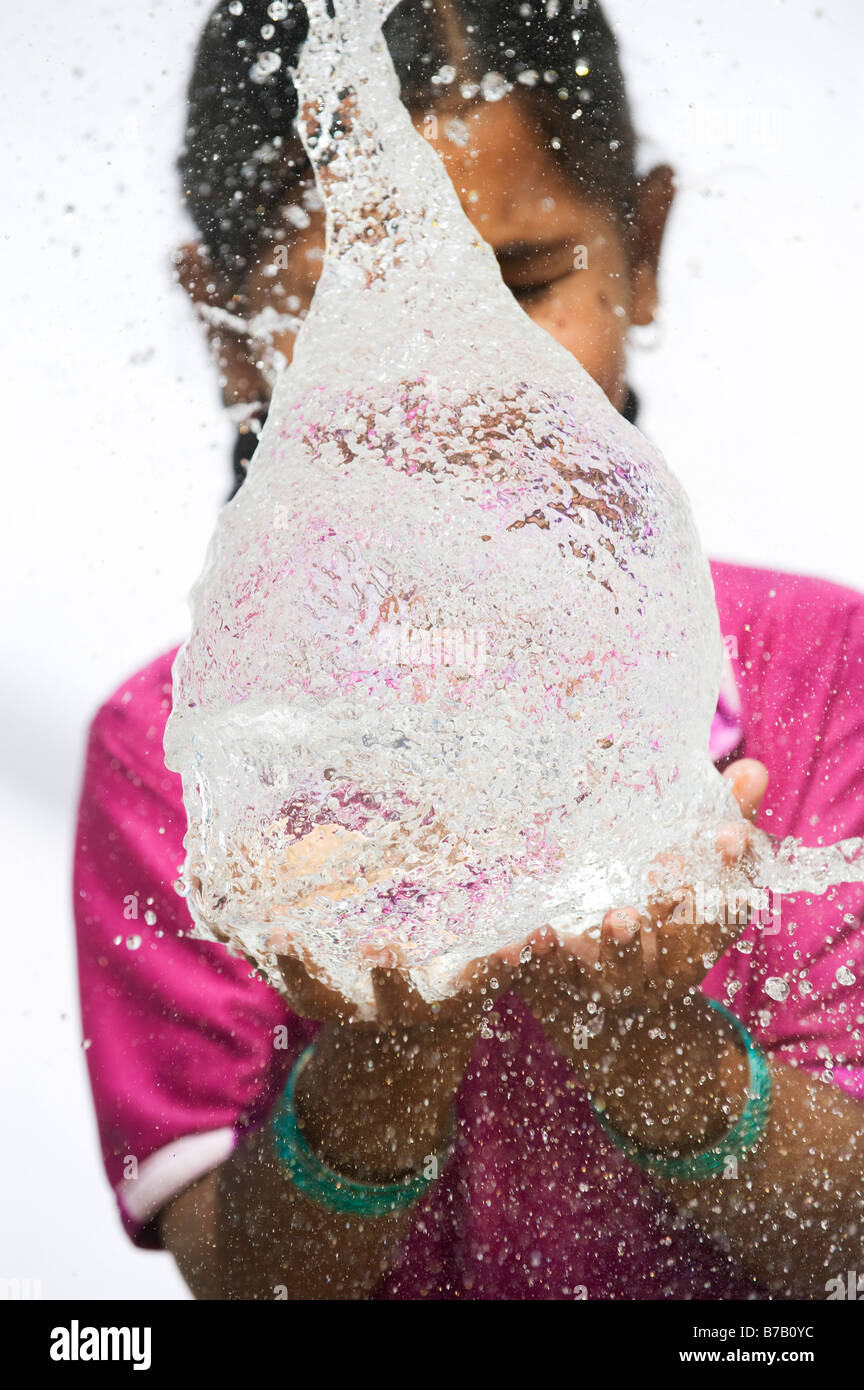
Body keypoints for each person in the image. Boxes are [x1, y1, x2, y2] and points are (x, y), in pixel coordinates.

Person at [73, 0, 864, 1300]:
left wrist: (656, 1046)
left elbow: (848, 1240)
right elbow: (245, 1281)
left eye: (523, 280)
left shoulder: (823, 673)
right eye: (354, 316)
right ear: (230, 331)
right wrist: (389, 1051)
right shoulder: (178, 756)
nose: (462, 383)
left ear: (644, 248)